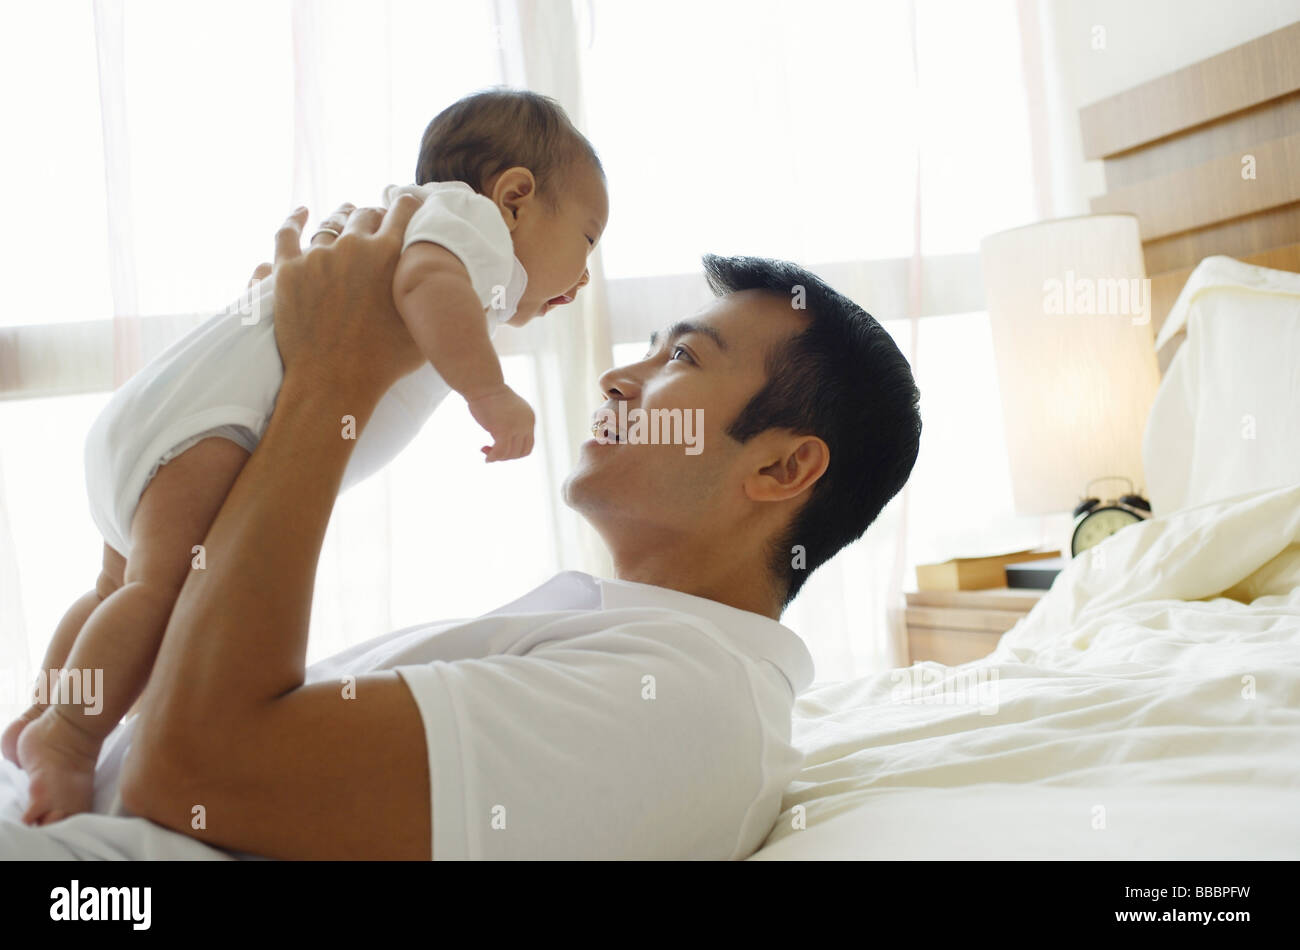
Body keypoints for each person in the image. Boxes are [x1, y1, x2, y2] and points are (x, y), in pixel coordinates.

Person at [28, 201, 922, 859]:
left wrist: (331, 379)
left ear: (780, 469)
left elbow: (194, 771)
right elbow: (169, 734)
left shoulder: (696, 703)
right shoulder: (627, 643)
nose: (618, 377)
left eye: (681, 357)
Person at [2, 89, 609, 826]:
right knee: (161, 594)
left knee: (117, 587)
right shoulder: (472, 227)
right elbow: (428, 284)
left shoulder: (402, 215)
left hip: (165, 416)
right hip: (209, 431)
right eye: (586, 238)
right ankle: (66, 741)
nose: (582, 280)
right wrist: (489, 393)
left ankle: (42, 709)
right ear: (516, 197)